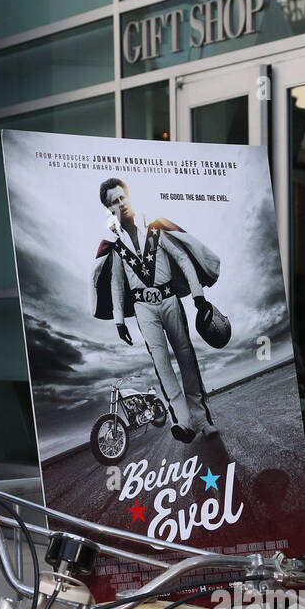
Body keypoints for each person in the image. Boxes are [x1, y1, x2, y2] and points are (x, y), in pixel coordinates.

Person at [92, 178, 221, 443]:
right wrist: (119, 322)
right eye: (113, 202)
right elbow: (117, 286)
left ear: (129, 196)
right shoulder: (116, 248)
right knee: (162, 365)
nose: (120, 204)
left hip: (170, 299)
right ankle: (182, 422)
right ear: (110, 210)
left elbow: (183, 259)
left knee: (186, 357)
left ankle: (202, 419)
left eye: (122, 197)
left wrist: (198, 296)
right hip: (143, 309)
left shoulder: (156, 229)